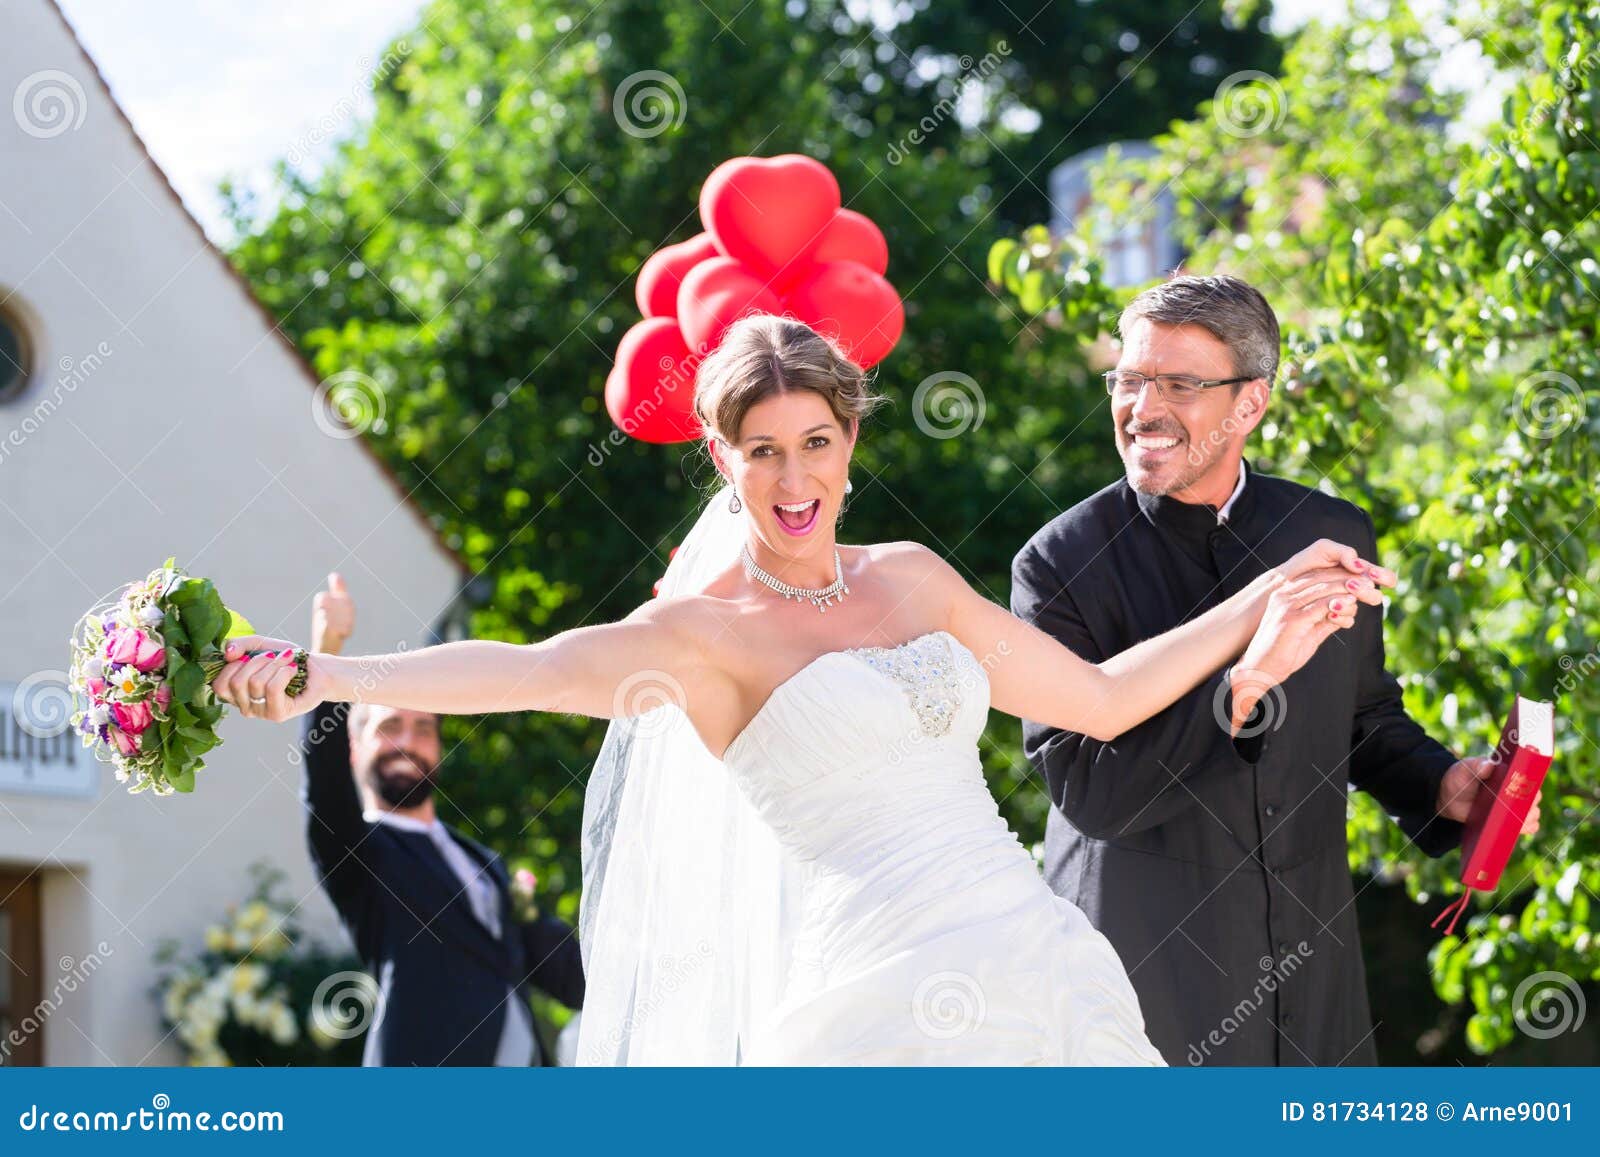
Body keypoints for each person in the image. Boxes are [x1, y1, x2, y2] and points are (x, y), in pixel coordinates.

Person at [214, 313, 1392, 1066]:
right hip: (875, 994)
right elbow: (521, 672)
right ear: (721, 458)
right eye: (763, 448)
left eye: (816, 442)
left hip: (1035, 957)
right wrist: (321, 672)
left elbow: (1098, 696)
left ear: (849, 440)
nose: (794, 476)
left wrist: (1263, 596)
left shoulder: (916, 578)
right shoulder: (696, 637)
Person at [1011, 274, 1541, 1067]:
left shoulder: (1328, 529)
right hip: (1144, 977)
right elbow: (1089, 792)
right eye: (1128, 379)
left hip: (1312, 962)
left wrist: (1440, 785)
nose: (1140, 407)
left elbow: (1364, 716)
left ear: (1250, 404)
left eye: (1180, 384)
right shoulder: (1058, 562)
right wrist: (1238, 691)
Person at [298, 572, 585, 1066]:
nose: (407, 742)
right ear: (354, 747)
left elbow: (562, 967)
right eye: (389, 726)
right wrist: (325, 656)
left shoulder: (483, 862)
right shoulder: (358, 853)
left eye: (423, 728)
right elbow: (322, 782)